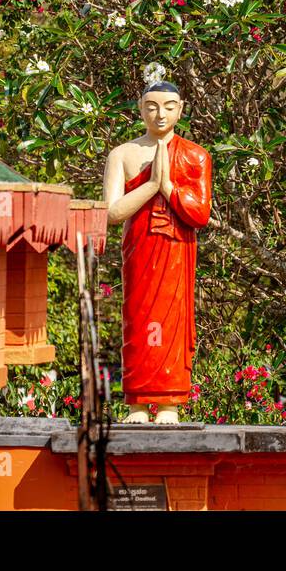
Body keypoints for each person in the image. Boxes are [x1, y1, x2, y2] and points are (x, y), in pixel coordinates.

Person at [103, 81, 212, 425]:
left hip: (177, 252)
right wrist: (151, 185)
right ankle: (137, 400)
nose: (160, 113)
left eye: (168, 106)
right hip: (141, 251)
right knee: (139, 320)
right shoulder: (123, 154)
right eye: (152, 106)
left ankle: (169, 401)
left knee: (172, 323)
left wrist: (168, 187)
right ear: (140, 109)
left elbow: (200, 213)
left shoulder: (196, 156)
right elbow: (112, 211)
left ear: (181, 109)